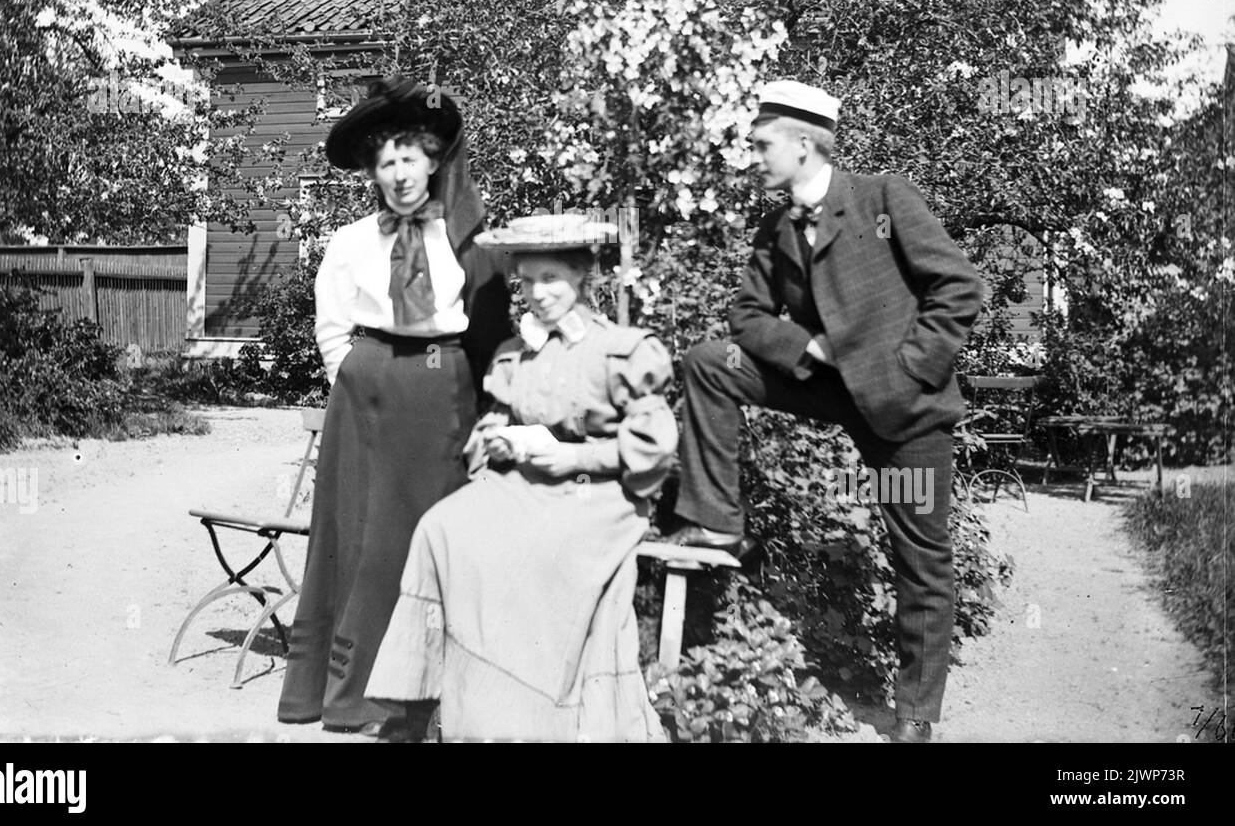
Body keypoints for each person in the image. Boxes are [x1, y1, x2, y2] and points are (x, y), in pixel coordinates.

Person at [667, 80, 985, 744]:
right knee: (709, 360)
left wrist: (912, 369)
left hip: (905, 413)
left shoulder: (882, 199)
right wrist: (806, 346)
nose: (753, 156)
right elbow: (747, 316)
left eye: (762, 144)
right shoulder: (777, 225)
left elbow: (957, 286)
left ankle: (916, 713)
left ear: (805, 144)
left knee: (920, 558)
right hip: (823, 385)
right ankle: (717, 523)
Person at [364, 214, 677, 742]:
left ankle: (528, 716)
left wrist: (576, 460)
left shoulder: (623, 350)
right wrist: (495, 440)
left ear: (582, 278)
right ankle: (422, 702)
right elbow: (497, 421)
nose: (537, 293)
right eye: (527, 281)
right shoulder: (517, 353)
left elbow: (653, 448)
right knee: (442, 527)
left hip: (596, 494)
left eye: (551, 279)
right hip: (521, 485)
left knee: (535, 555)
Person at [277, 74, 511, 734]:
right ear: (373, 173)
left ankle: (430, 691)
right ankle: (352, 694)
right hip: (369, 395)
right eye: (386, 162)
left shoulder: (463, 236)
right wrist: (353, 379)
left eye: (410, 158)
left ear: (433, 162)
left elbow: (489, 322)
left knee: (428, 538)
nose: (399, 173)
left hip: (445, 392)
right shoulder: (352, 241)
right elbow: (331, 327)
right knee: (363, 541)